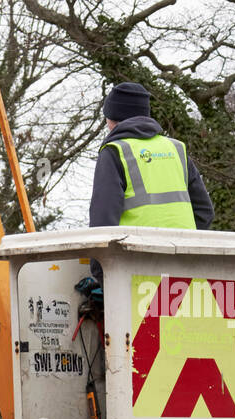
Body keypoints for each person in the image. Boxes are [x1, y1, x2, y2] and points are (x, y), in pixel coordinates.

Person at [86, 81, 214, 282]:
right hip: (185, 266)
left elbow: (103, 219)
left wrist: (100, 272)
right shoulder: (176, 148)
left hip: (136, 267)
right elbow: (204, 211)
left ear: (111, 119)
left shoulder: (115, 151)